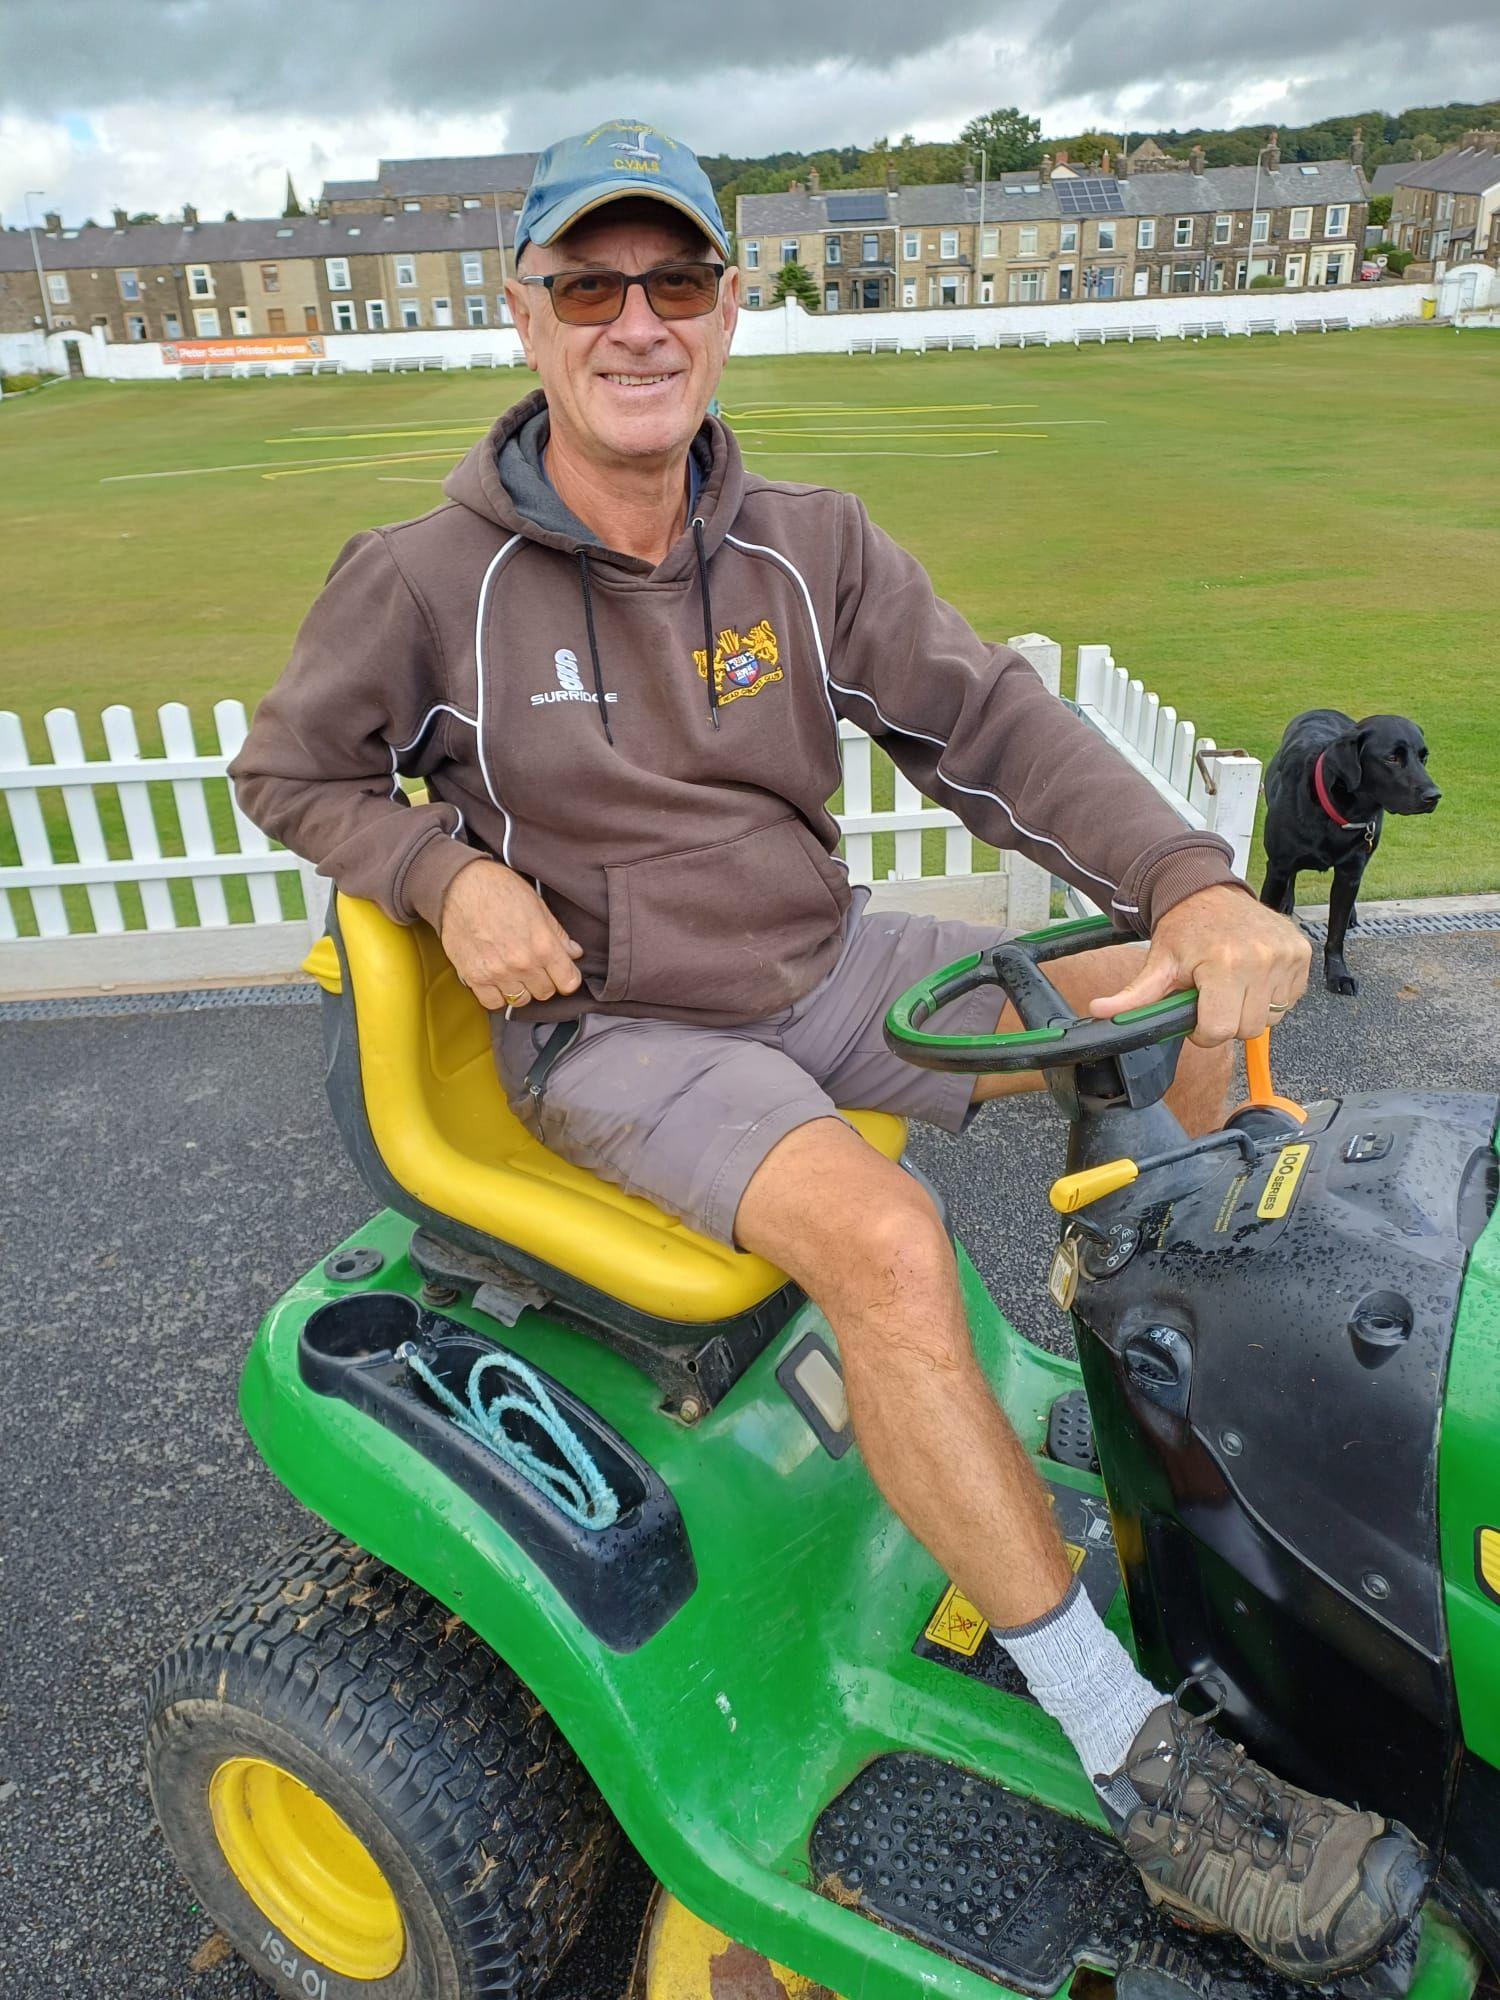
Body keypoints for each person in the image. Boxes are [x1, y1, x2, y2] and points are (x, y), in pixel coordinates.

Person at [231, 119, 1425, 1982]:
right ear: (530, 314)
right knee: (878, 1250)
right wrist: (437, 871)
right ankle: (1133, 1756)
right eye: (593, 285)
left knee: (1172, 1012)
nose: (639, 321)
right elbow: (288, 775)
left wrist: (1192, 888)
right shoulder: (421, 579)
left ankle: (1194, 1489)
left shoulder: (805, 552)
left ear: (729, 307)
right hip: (616, 1033)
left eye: (677, 280)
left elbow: (999, 727)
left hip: (821, 964)